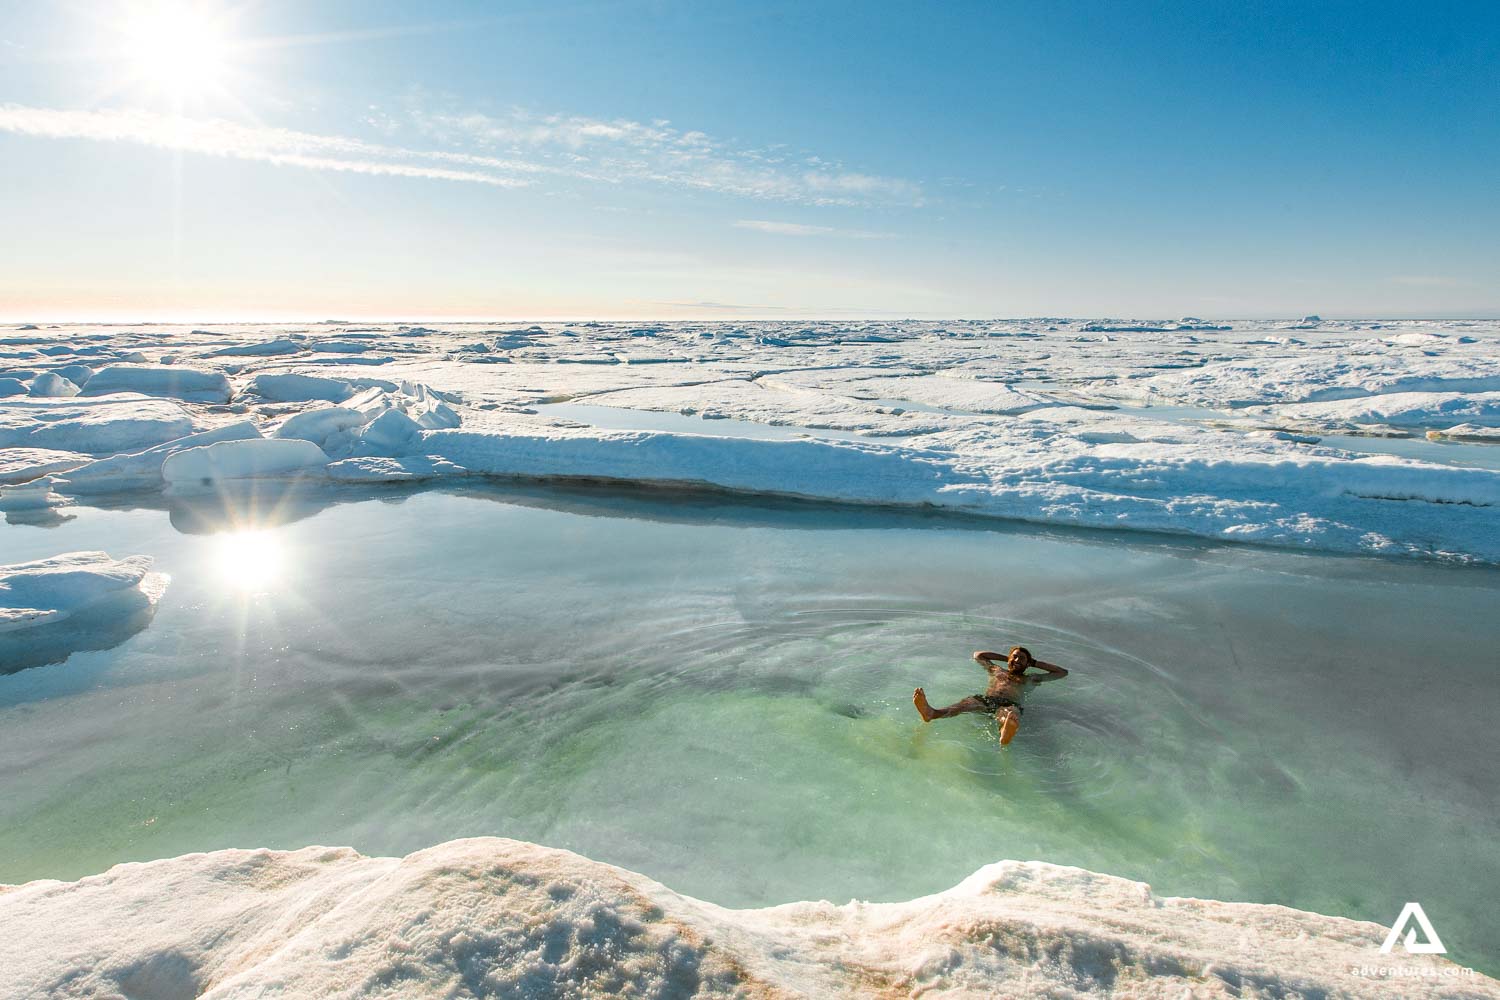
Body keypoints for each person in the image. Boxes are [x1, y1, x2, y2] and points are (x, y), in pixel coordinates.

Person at [913, 646, 1068, 746]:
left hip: (1009, 704)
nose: (1017, 660)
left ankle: (1005, 734)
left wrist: (1034, 663)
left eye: (1022, 659)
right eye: (1014, 657)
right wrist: (1007, 658)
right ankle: (931, 713)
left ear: (1028, 664)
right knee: (963, 705)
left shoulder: (1030, 678)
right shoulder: (997, 670)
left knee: (1008, 714)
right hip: (986, 700)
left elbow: (1062, 672)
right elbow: (978, 655)